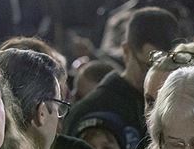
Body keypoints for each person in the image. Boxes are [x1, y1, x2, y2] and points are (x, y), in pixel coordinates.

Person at [65, 7, 180, 136]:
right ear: (126, 51)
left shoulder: (179, 107)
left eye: (165, 68)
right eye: (147, 67)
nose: (154, 77)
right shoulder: (90, 110)